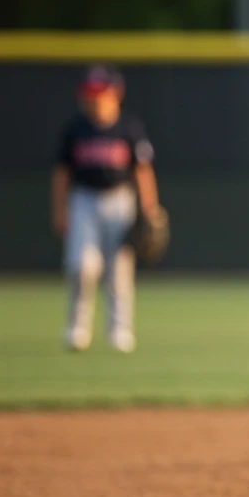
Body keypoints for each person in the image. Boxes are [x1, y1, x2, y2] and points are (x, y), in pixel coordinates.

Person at [52, 65, 161, 353]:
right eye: (88, 94)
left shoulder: (128, 128)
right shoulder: (75, 129)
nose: (93, 99)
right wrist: (60, 210)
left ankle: (120, 330)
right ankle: (77, 328)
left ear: (116, 94)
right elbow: (61, 173)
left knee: (119, 270)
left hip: (120, 200)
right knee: (81, 266)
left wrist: (149, 208)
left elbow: (142, 170)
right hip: (83, 199)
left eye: (99, 93)